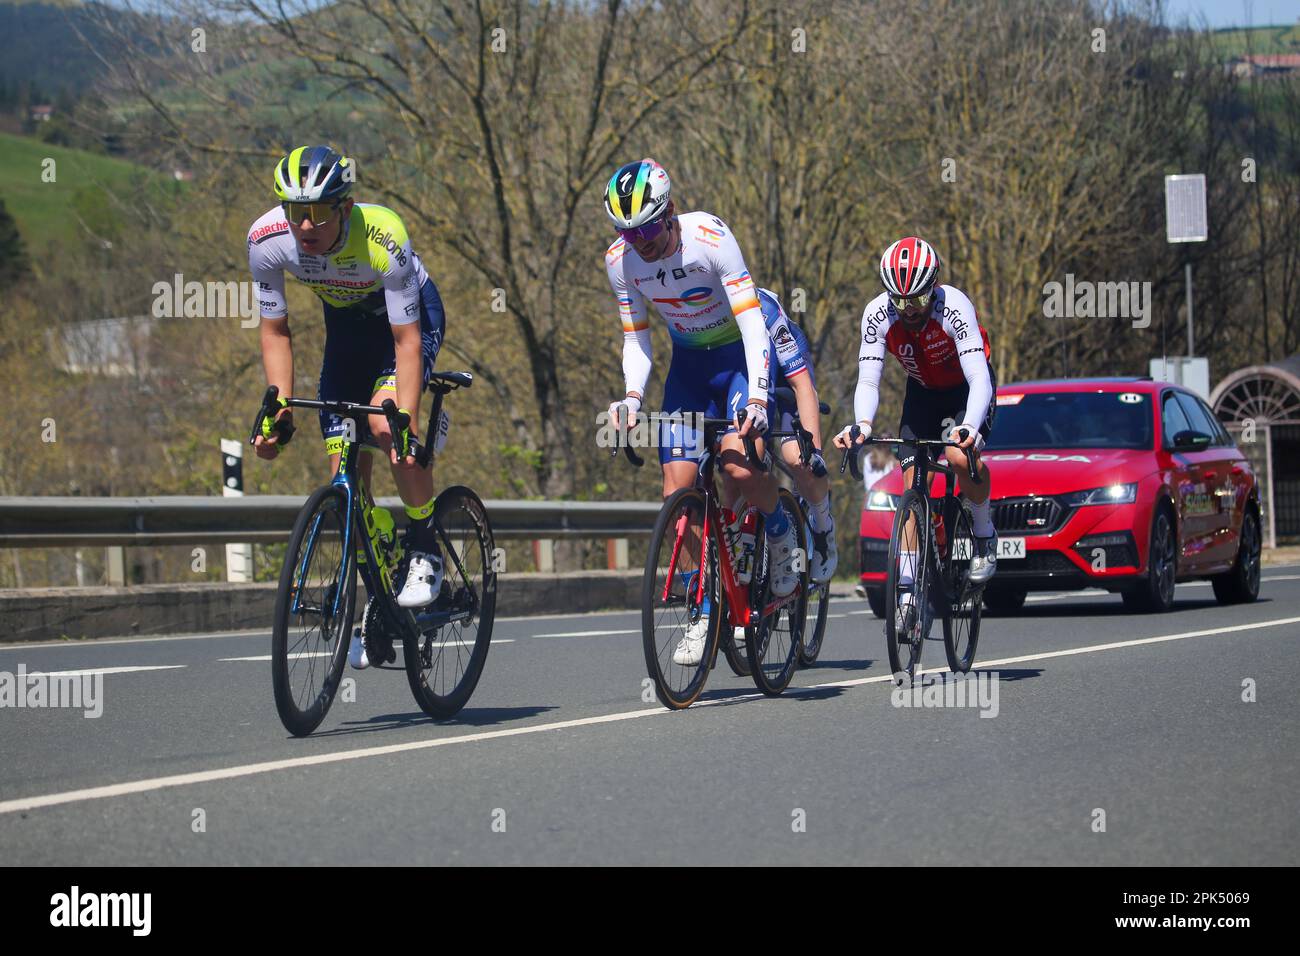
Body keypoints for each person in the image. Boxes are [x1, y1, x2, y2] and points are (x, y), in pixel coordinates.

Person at [248, 145, 447, 669]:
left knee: (385, 430)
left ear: (346, 206)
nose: (305, 225)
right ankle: (378, 595)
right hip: (346, 335)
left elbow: (406, 341)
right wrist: (280, 409)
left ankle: (425, 546)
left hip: (404, 324)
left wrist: (406, 418)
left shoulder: (383, 237)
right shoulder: (267, 241)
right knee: (343, 472)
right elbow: (275, 330)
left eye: (317, 212)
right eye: (295, 211)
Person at [603, 158, 799, 666]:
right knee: (679, 494)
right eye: (626, 231)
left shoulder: (710, 237)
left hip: (737, 359)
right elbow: (637, 339)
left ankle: (779, 534)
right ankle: (700, 607)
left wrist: (758, 396)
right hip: (689, 369)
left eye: (645, 227)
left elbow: (754, 324)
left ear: (669, 212)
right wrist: (631, 397)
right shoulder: (620, 261)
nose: (638, 241)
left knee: (736, 462)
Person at [833, 236, 998, 630]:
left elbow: (979, 379)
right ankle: (907, 594)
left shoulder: (955, 307)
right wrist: (863, 424)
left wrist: (969, 427)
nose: (909, 310)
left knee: (959, 458)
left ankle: (983, 531)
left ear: (934, 289)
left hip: (965, 392)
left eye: (918, 300)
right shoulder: (877, 314)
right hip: (922, 394)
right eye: (900, 300)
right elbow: (869, 381)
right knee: (912, 484)